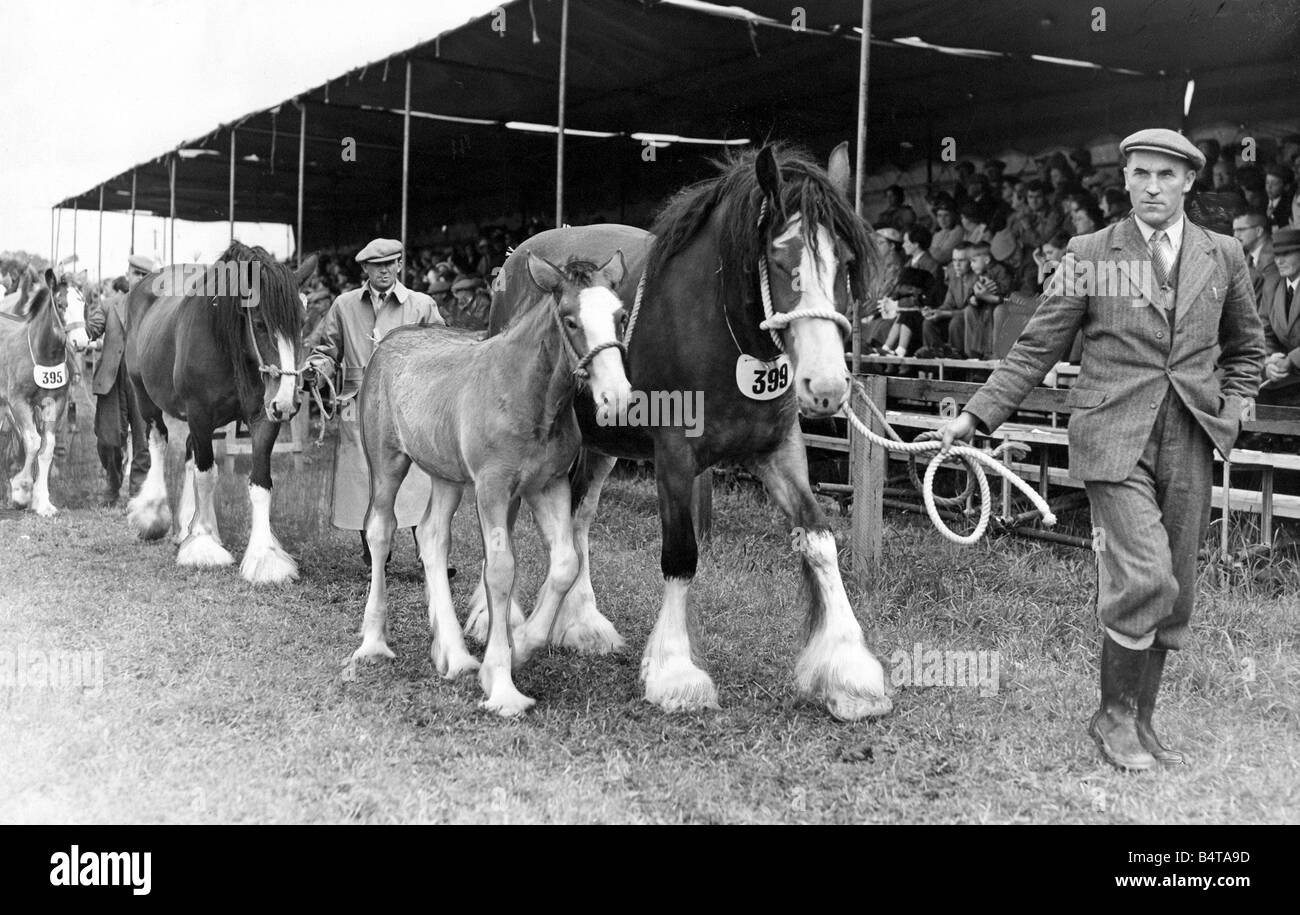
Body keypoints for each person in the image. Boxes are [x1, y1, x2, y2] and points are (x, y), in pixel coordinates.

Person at [939, 128, 1264, 772]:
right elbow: (1036, 347)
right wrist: (977, 416)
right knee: (1146, 572)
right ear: (1124, 179)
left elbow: (1247, 351)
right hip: (1112, 436)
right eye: (1140, 174)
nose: (1152, 186)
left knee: (1178, 589)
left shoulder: (1223, 254)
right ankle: (1110, 716)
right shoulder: (1090, 252)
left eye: (1166, 176)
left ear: (1188, 182)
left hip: (1191, 437)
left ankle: (1142, 721)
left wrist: (1229, 411)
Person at [306, 238, 450, 569]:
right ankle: (375, 556)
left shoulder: (421, 304)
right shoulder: (344, 305)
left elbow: (443, 350)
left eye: (390, 264)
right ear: (365, 269)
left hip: (410, 404)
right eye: (377, 265)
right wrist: (319, 369)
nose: (384, 270)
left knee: (418, 476)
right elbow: (328, 350)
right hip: (358, 404)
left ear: (400, 265)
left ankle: (426, 551)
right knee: (362, 478)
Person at [85, 255, 152, 507]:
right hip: (112, 379)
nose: (140, 279)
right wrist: (82, 330)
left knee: (144, 441)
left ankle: (137, 491)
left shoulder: (158, 308)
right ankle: (113, 482)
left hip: (144, 382)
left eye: (145, 276)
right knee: (108, 440)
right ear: (128, 274)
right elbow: (94, 327)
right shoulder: (110, 305)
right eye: (136, 274)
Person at [1255, 228, 1300, 405]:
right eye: (1276, 255)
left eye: (1287, 254)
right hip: (1287, 373)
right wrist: (1270, 361)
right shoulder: (1272, 283)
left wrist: (1291, 359)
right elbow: (1263, 331)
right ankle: (1253, 431)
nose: (1279, 261)